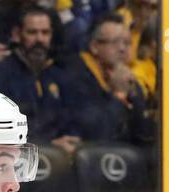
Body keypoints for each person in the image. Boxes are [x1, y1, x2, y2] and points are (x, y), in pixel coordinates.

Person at [0, 5, 74, 148]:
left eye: (45, 33)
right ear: (17, 34)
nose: (39, 39)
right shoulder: (0, 75)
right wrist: (48, 144)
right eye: (32, 32)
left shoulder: (58, 74)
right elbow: (1, 129)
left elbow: (72, 120)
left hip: (60, 158)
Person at [60, 12, 154, 144]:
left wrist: (133, 95)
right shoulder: (74, 76)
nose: (122, 49)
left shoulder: (126, 76)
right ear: (94, 47)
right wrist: (119, 95)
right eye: (115, 42)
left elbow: (144, 136)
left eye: (127, 43)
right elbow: (97, 133)